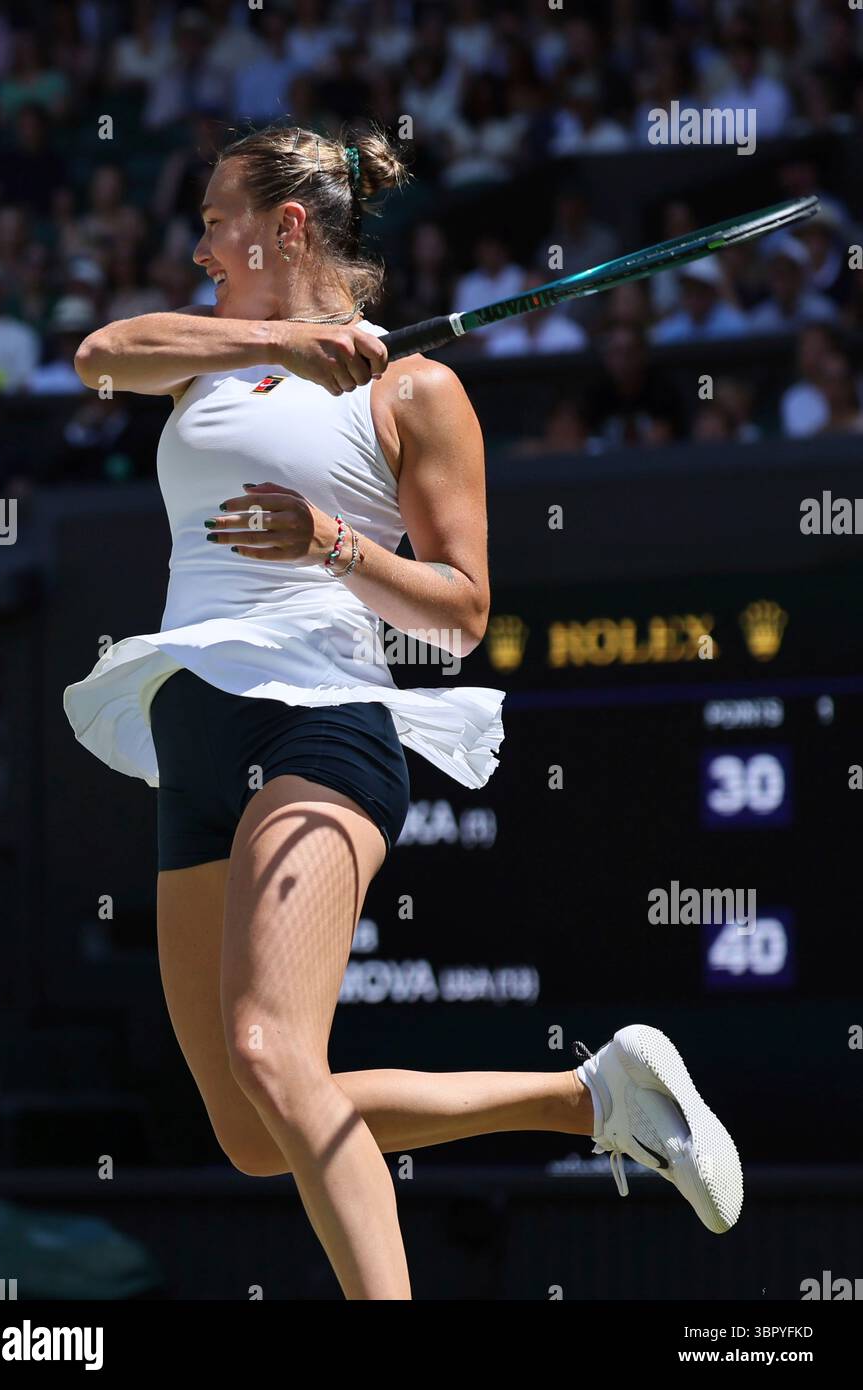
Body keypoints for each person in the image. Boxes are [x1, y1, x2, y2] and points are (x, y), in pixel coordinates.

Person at [64, 123, 741, 1299]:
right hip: (195, 731)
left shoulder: (417, 390)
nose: (201, 246)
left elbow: (462, 613)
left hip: (319, 727)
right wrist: (283, 340)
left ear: (284, 226)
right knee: (251, 1127)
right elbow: (99, 356)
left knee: (274, 1051)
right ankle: (590, 1099)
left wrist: (328, 543)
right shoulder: (213, 351)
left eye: (219, 220)